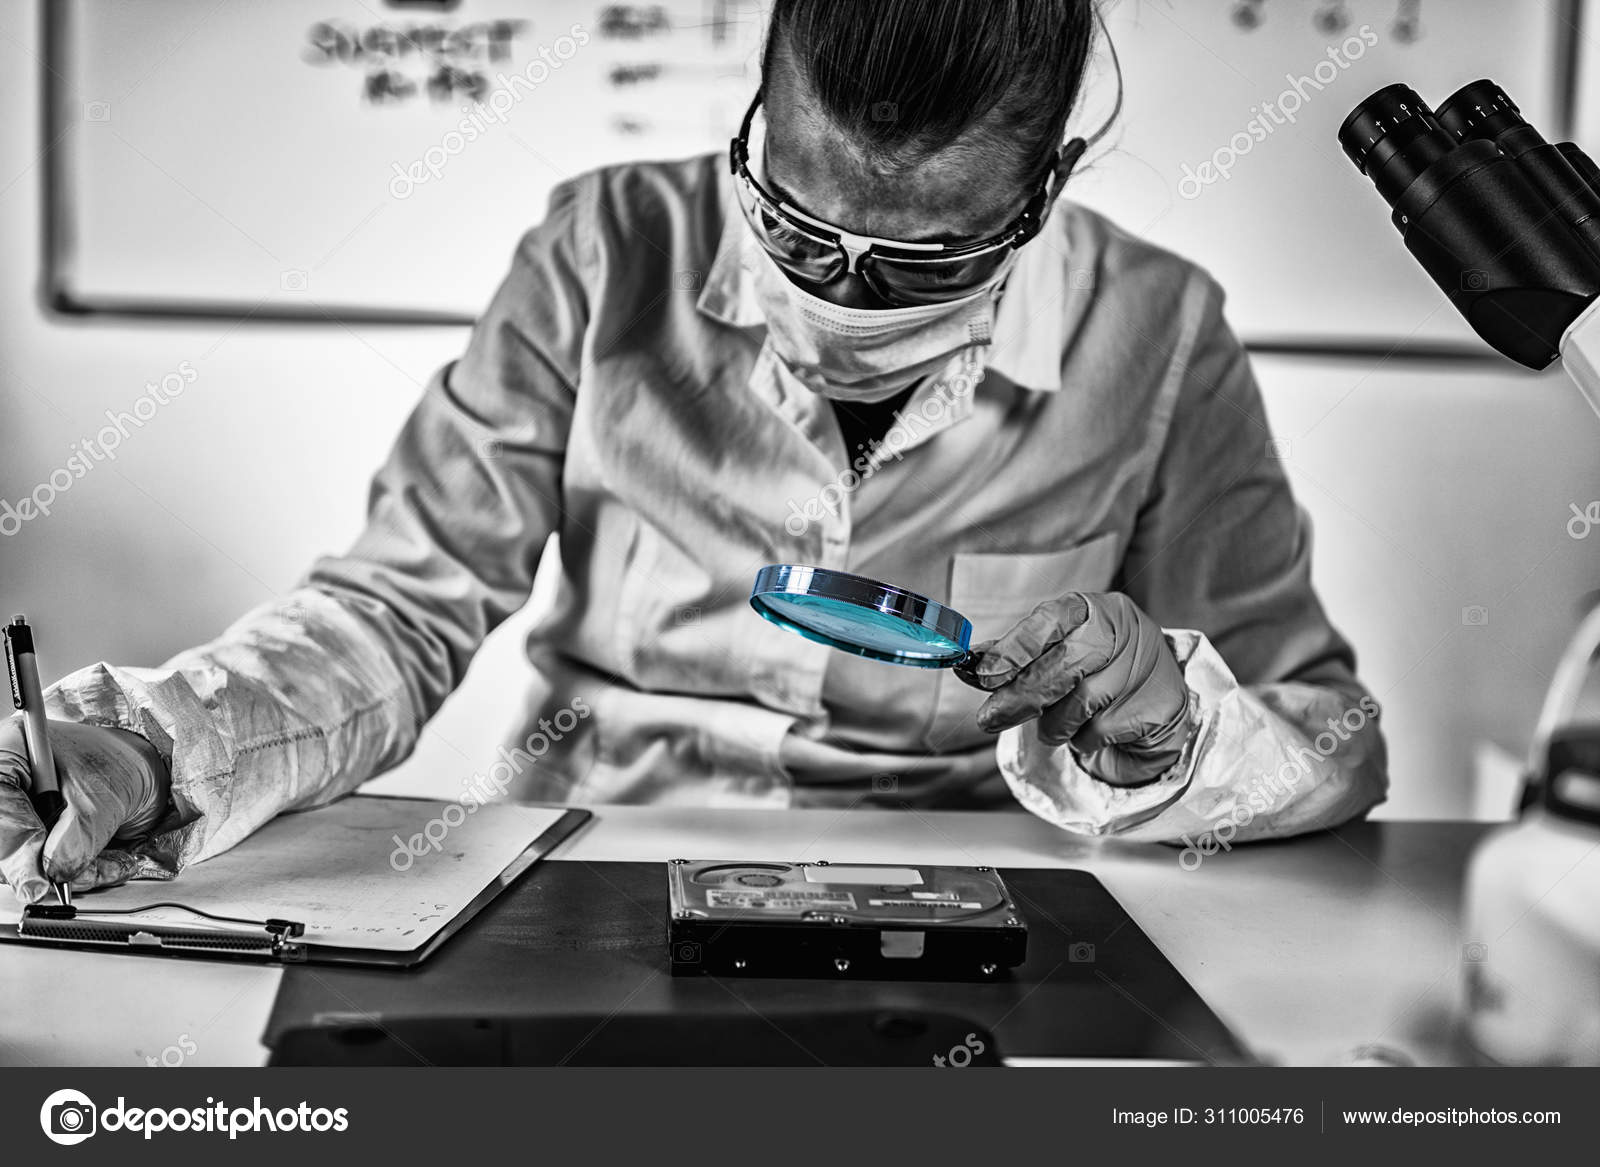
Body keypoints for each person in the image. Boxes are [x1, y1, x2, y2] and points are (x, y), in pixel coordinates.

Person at [0, 0, 1387, 905]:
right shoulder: (603, 250)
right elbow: (394, 610)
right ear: (752, 124)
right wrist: (151, 746)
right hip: (592, 871)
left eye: (926, 261)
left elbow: (1323, 731)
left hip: (964, 899)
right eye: (792, 225)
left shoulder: (1159, 330)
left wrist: (1164, 735)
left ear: (1045, 195)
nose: (841, 297)